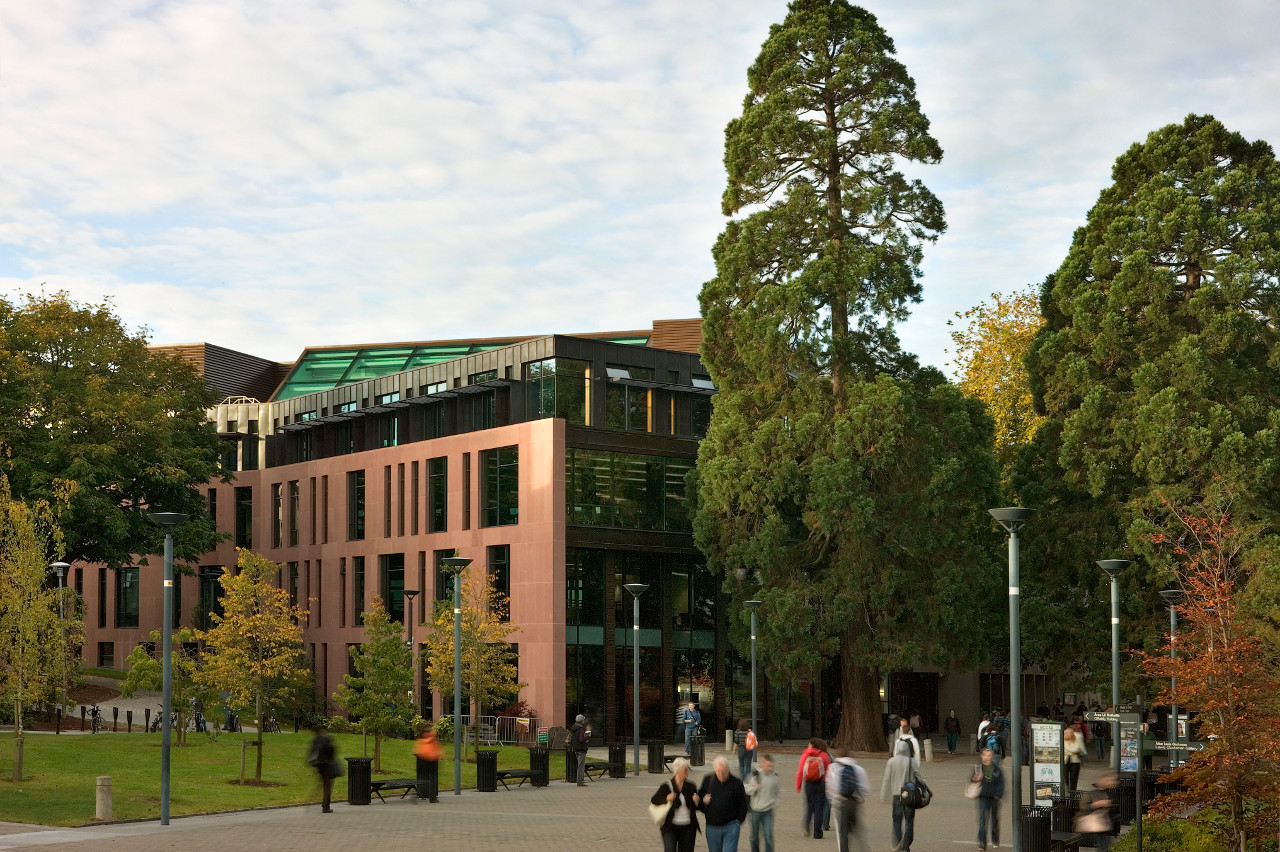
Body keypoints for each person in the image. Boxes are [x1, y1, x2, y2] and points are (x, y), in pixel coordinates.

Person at [699, 755, 749, 852]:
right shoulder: (708, 780)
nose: (721, 775)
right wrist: (703, 800)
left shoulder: (737, 783)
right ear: (715, 769)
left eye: (724, 771)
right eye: (718, 772)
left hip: (731, 825)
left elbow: (743, 803)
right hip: (712, 826)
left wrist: (738, 822)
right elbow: (700, 800)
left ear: (728, 769)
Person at [880, 739, 921, 852]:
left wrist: (883, 795)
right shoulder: (911, 761)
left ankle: (898, 841)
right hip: (909, 794)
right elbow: (919, 777)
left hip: (896, 794)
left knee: (897, 820)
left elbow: (886, 779)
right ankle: (906, 845)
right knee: (909, 820)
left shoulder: (891, 761)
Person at [652, 756, 701, 852]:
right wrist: (666, 798)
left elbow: (696, 807)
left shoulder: (691, 786)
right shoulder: (666, 786)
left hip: (688, 827)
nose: (688, 771)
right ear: (678, 771)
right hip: (670, 826)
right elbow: (654, 800)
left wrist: (697, 801)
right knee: (670, 849)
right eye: (685, 769)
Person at [826, 748, 870, 852]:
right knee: (858, 830)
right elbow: (864, 788)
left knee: (843, 832)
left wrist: (833, 800)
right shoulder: (858, 769)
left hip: (841, 803)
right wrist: (861, 799)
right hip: (854, 803)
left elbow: (830, 787)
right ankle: (863, 849)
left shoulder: (833, 767)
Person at [795, 737, 832, 838]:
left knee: (809, 805)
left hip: (809, 784)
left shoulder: (805, 755)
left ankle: (807, 822)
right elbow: (829, 771)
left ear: (812, 745)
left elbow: (800, 772)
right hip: (821, 784)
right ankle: (817, 833)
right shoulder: (824, 755)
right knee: (819, 808)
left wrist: (798, 785)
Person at [743, 753, 779, 852]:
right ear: (762, 764)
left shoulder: (775, 777)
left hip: (768, 811)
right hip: (755, 810)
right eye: (768, 766)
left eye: (771, 766)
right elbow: (745, 789)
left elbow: (776, 791)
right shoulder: (755, 775)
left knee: (768, 836)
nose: (770, 768)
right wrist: (754, 787)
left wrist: (775, 802)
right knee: (753, 837)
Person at [972, 748, 1005, 851]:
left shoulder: (997, 769)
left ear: (993, 757)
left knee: (995, 820)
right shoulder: (978, 768)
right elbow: (972, 779)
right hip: (982, 797)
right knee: (982, 820)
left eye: (990, 755)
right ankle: (982, 842)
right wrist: (975, 779)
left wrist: (999, 794)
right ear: (981, 756)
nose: (987, 757)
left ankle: (995, 839)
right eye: (985, 755)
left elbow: (1001, 782)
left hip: (994, 798)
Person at [307, 724, 337, 813]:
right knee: (327, 786)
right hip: (327, 765)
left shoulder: (315, 740)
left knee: (323, 784)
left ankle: (319, 801)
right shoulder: (326, 739)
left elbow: (312, 752)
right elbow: (332, 751)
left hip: (319, 765)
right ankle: (325, 806)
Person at [413, 727, 443, 802]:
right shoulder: (432, 741)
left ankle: (417, 793)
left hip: (423, 762)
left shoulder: (422, 742)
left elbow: (418, 751)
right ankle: (432, 797)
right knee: (432, 779)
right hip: (431, 761)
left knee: (423, 779)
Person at [1063, 725, 1086, 792]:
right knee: (1065, 777)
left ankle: (1073, 792)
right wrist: (1072, 751)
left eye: (1070, 733)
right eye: (1066, 733)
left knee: (1074, 778)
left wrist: (1068, 751)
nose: (1068, 734)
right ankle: (1067, 790)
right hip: (1065, 760)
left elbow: (1077, 749)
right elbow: (1063, 749)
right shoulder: (1063, 740)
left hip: (1075, 761)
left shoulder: (1077, 739)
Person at [570, 713, 590, 786]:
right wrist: (587, 737)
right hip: (581, 749)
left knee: (578, 764)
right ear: (581, 721)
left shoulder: (573, 727)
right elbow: (581, 739)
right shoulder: (581, 729)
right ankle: (580, 781)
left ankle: (579, 780)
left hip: (576, 748)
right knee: (581, 766)